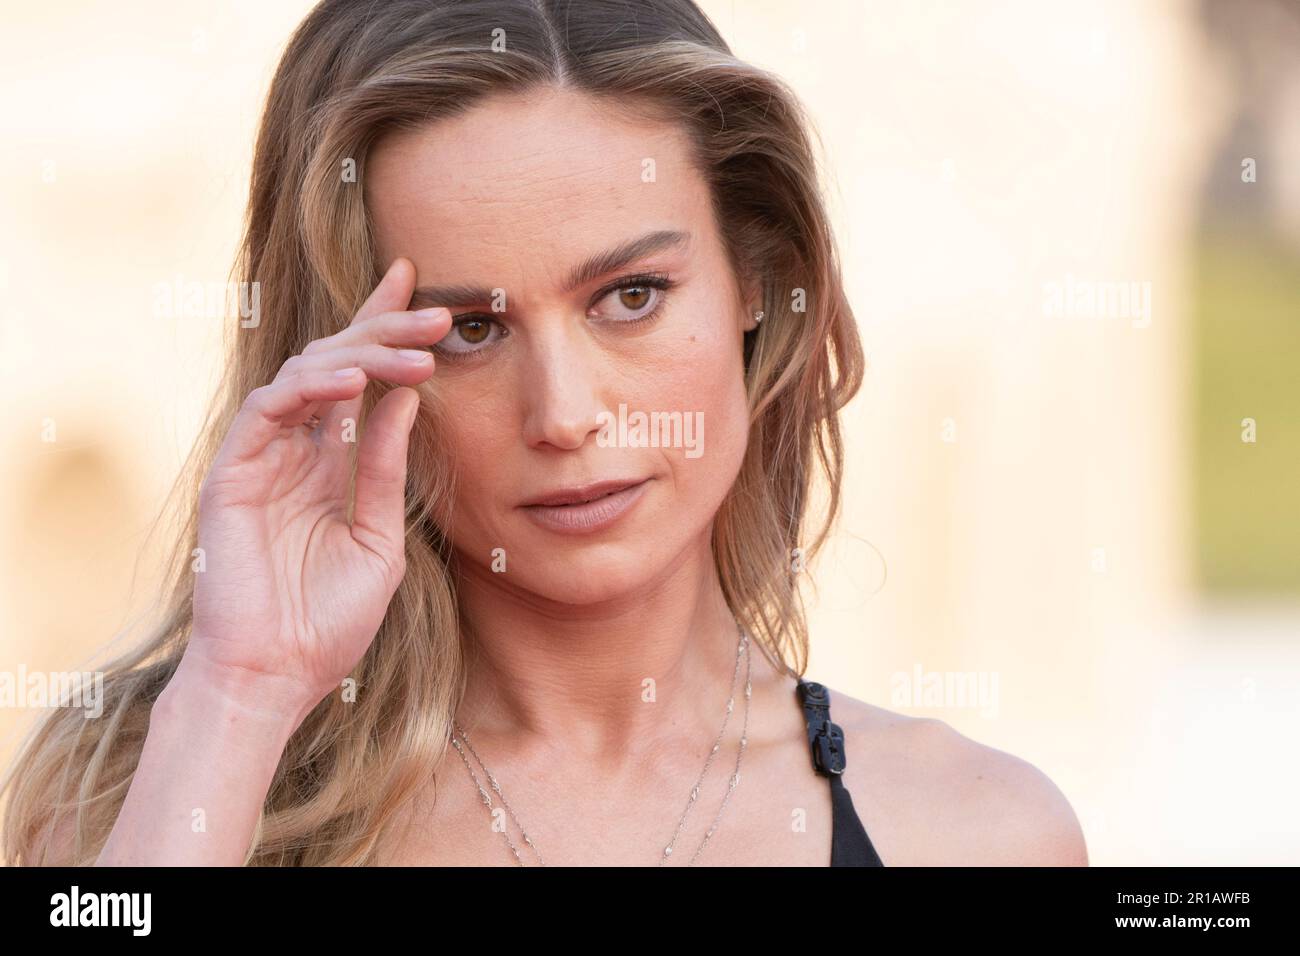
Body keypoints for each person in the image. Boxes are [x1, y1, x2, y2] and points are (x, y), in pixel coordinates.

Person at [1, 0, 1087, 867]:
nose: (564, 414)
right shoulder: (141, 800)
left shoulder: (978, 832)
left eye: (629, 296)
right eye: (470, 328)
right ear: (352, 362)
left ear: (759, 278)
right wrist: (238, 694)